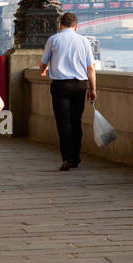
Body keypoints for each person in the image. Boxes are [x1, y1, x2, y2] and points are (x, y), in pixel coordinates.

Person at [39, 12, 97, 171]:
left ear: (60, 25)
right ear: (76, 26)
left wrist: (43, 70)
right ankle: (76, 157)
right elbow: (91, 67)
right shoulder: (84, 41)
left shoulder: (53, 40)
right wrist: (92, 89)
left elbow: (43, 62)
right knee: (76, 122)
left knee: (63, 123)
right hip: (79, 85)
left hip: (60, 86)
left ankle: (66, 158)